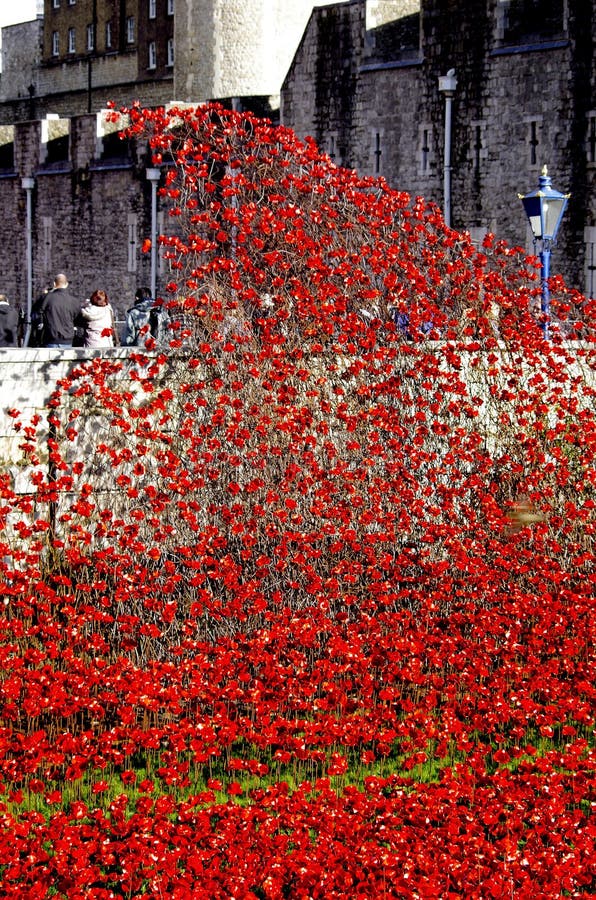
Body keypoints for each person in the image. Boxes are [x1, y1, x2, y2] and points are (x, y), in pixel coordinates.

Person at [40, 273, 83, 348]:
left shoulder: (47, 298)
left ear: (54, 284)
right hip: (67, 339)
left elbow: (38, 314)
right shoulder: (74, 301)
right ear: (66, 284)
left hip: (51, 338)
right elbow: (79, 320)